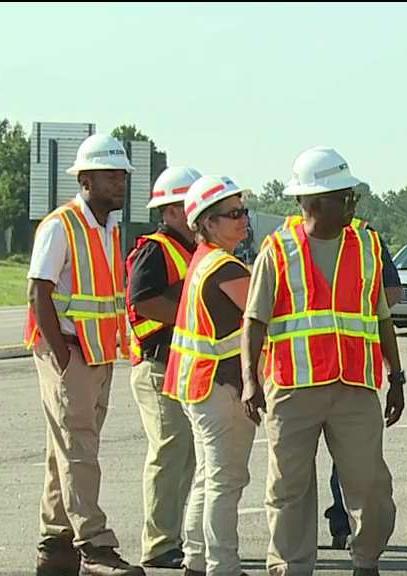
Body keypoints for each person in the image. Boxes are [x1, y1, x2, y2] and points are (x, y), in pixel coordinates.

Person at [241, 146, 405, 576]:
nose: (353, 203)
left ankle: (365, 560)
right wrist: (249, 381)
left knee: (371, 488)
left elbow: (382, 317)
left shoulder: (367, 244)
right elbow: (254, 320)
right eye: (344, 196)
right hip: (293, 388)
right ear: (313, 202)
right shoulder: (277, 250)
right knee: (288, 489)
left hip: (355, 387)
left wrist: (397, 376)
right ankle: (291, 568)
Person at [26, 134, 144, 576]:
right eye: (110, 175)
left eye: (122, 175)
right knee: (79, 446)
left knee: (67, 447)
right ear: (85, 179)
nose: (120, 183)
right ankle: (95, 545)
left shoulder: (110, 228)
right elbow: (39, 291)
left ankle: (55, 544)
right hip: (70, 351)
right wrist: (60, 355)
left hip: (96, 354)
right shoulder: (61, 225)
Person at [163, 175, 255, 576]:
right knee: (225, 480)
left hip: (199, 384)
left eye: (243, 211)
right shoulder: (223, 267)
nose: (242, 220)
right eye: (232, 214)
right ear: (208, 222)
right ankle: (223, 567)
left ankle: (197, 561)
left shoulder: (204, 259)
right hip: (218, 388)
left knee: (208, 477)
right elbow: (267, 309)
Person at [125, 167, 202, 569]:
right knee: (170, 451)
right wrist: (193, 318)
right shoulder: (157, 248)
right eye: (188, 206)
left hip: (178, 364)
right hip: (158, 364)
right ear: (169, 212)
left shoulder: (191, 249)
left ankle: (171, 537)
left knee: (183, 454)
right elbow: (144, 301)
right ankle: (158, 544)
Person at [323, 214, 403, 551]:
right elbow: (393, 294)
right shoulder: (365, 236)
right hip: (334, 371)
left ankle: (345, 529)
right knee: (349, 461)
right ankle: (346, 529)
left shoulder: (364, 236)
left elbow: (390, 295)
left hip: (330, 371)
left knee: (343, 463)